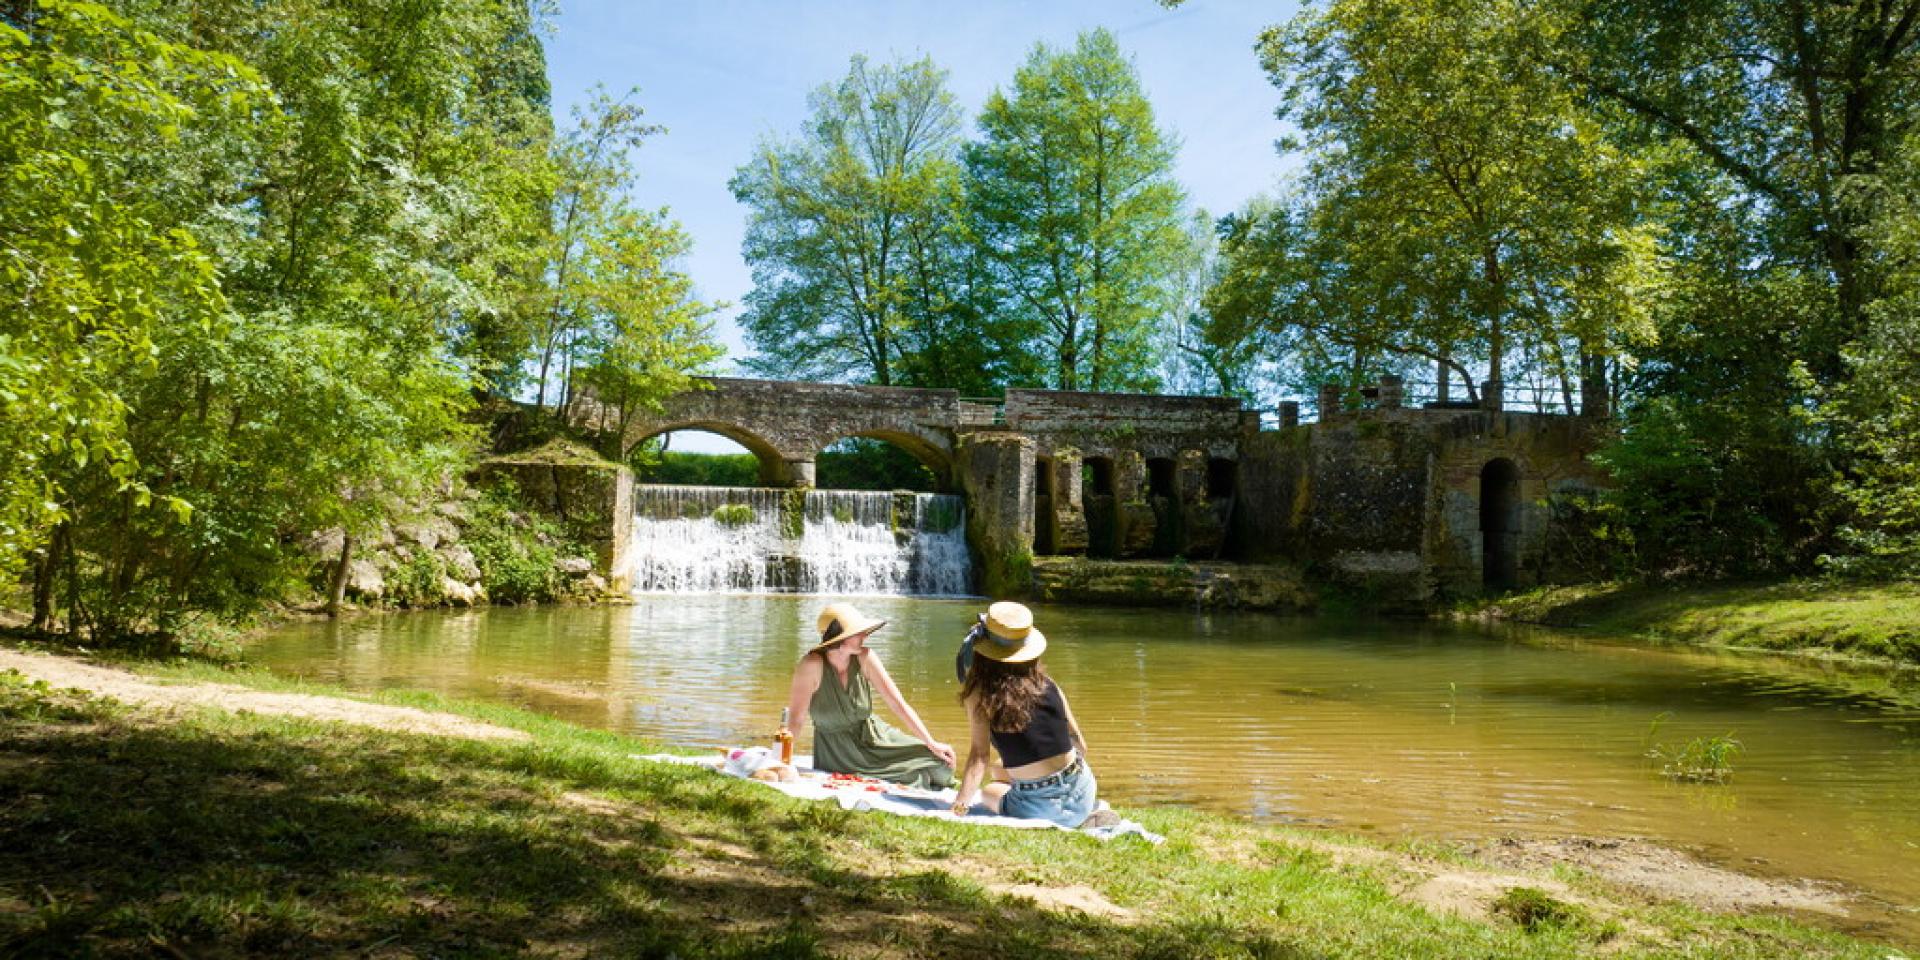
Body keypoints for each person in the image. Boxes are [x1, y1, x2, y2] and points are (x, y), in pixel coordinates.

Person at [949, 602, 1099, 827]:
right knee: (999, 768)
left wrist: (959, 806)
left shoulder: (980, 696)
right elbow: (1080, 746)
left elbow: (979, 757)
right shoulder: (1048, 684)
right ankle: (1083, 813)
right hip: (1083, 790)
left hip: (1039, 809)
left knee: (989, 791)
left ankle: (1059, 814)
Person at [782, 602, 956, 790]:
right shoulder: (811, 665)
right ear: (840, 637)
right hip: (838, 752)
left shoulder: (865, 657)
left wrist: (931, 742)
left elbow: (898, 704)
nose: (865, 635)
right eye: (858, 632)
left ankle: (911, 773)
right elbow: (796, 720)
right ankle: (908, 776)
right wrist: (781, 760)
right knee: (913, 776)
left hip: (874, 737)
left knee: (942, 764)